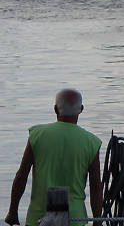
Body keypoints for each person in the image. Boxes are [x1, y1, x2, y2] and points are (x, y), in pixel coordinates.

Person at [5, 89, 102, 226]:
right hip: (74, 219)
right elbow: (96, 186)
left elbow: (22, 175)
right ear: (81, 109)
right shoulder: (91, 142)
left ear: (55, 109)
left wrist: (12, 211)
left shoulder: (37, 135)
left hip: (38, 217)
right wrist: (97, 221)